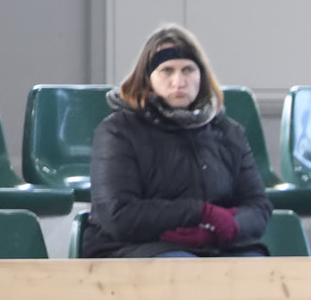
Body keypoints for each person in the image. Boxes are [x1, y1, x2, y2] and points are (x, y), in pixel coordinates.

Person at [84, 25, 270, 259]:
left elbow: (258, 206)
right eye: (167, 70)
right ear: (148, 78)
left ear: (201, 76)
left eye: (188, 70)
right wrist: (201, 213)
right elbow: (118, 214)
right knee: (183, 268)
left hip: (217, 246)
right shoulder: (118, 132)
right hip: (135, 248)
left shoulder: (228, 133)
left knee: (255, 267)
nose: (179, 81)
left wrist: (230, 227)